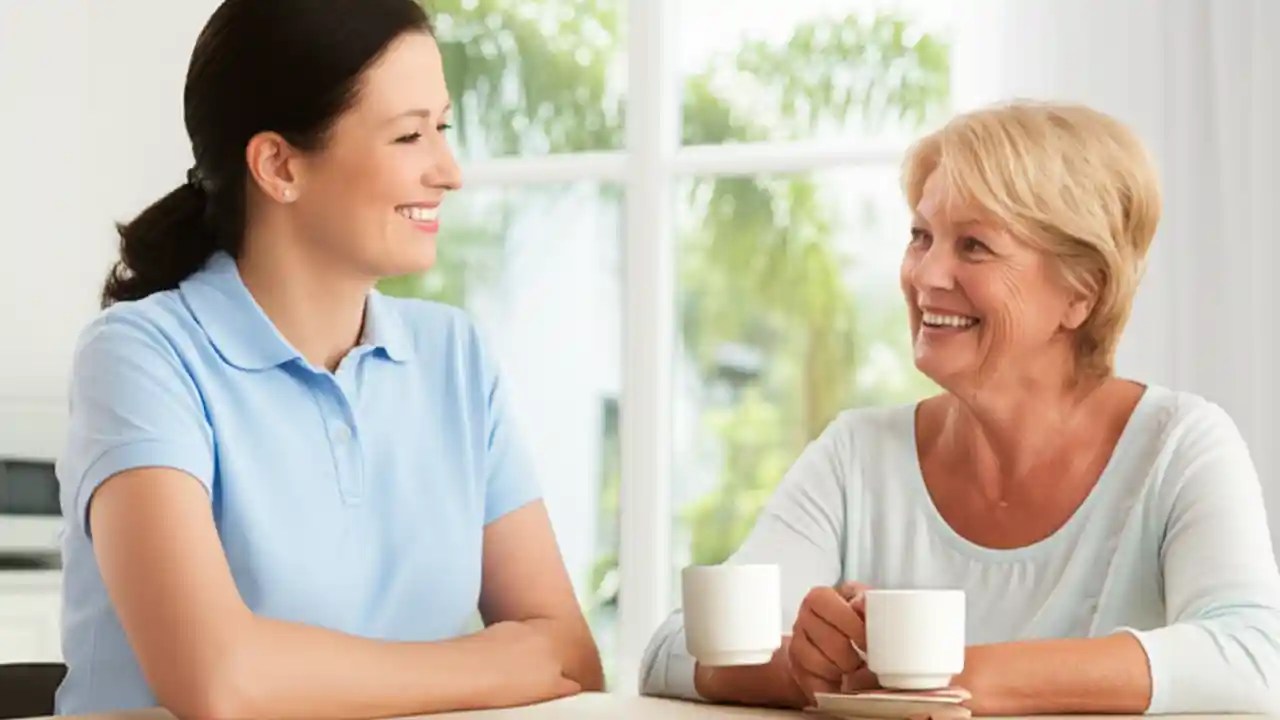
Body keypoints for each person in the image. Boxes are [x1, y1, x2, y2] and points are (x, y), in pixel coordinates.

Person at [641, 101, 1280, 716]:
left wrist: (968, 675)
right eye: (922, 236)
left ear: (1080, 294)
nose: (926, 275)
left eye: (973, 246)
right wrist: (801, 669)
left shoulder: (1179, 446)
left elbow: (1254, 654)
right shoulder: (857, 456)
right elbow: (669, 651)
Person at [55, 1, 602, 716]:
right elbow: (220, 681)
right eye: (409, 135)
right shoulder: (140, 358)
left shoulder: (454, 358)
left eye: (442, 128)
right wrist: (494, 663)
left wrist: (293, 670)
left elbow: (569, 656)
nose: (449, 170)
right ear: (279, 164)